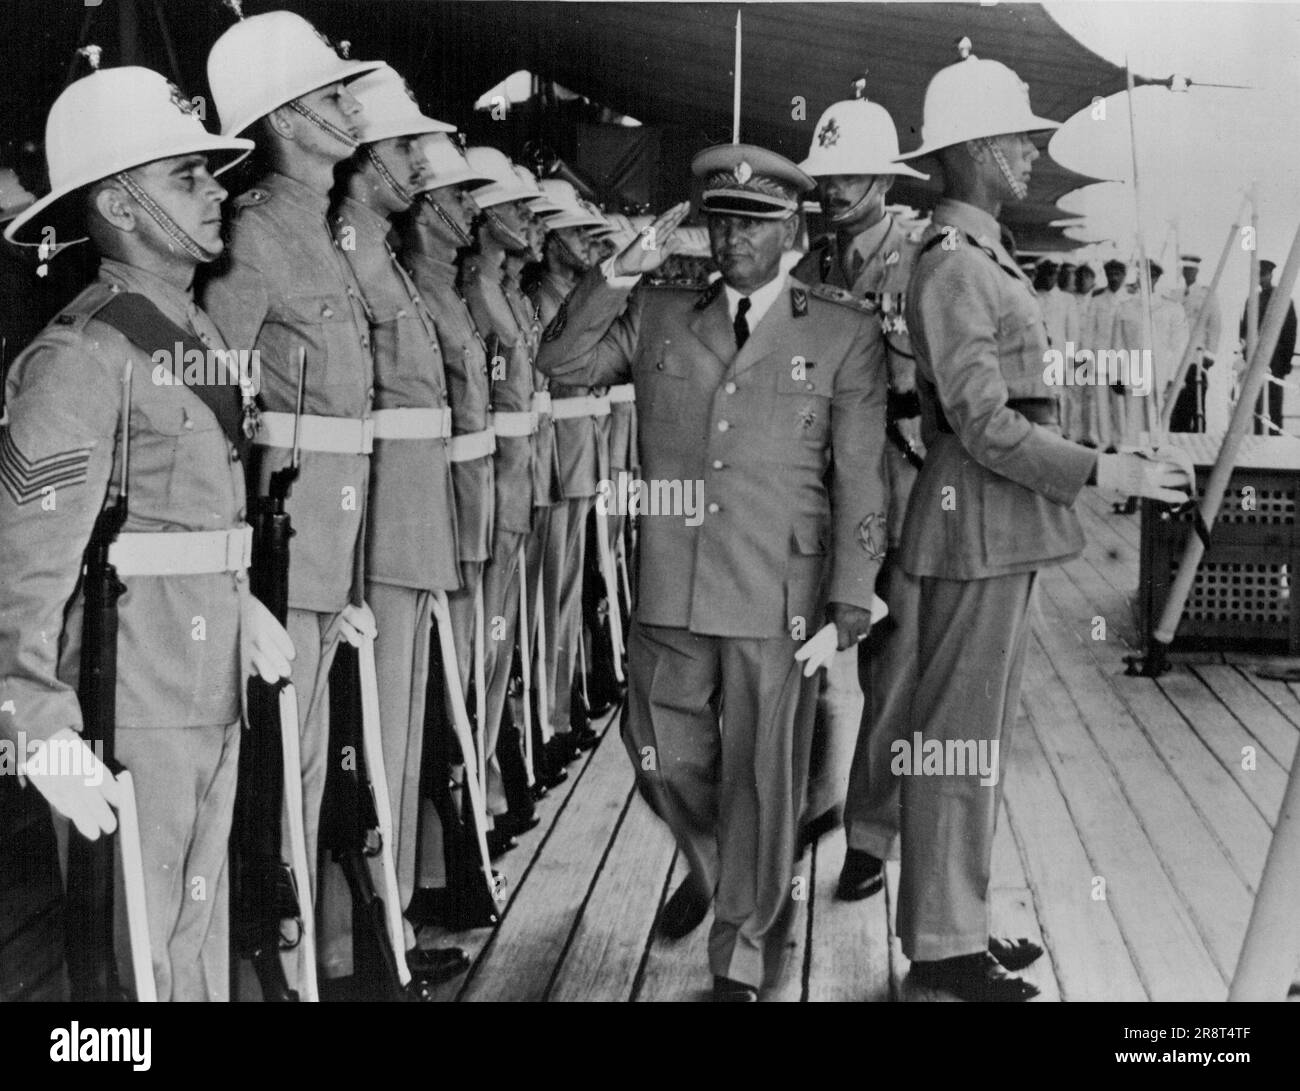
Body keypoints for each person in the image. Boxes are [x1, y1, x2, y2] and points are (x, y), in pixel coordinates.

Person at [537, 144, 888, 1001]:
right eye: (721, 219)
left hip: (782, 592)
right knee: (658, 751)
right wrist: (617, 272)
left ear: (793, 232)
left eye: (754, 224)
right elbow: (560, 363)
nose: (732, 239)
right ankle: (733, 865)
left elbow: (862, 473)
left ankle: (741, 957)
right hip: (674, 577)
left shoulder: (842, 331)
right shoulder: (657, 313)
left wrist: (849, 595)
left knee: (766, 775)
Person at [892, 45, 1191, 1001]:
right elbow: (982, 420)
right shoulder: (951, 263)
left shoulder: (977, 254)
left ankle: (958, 925)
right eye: (1016, 137)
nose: (1029, 153)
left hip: (997, 523)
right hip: (975, 518)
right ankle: (941, 946)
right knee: (954, 738)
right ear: (972, 149)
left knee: (975, 736)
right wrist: (1107, 465)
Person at [0, 61, 292, 1000]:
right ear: (121, 206)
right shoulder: (82, 356)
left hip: (207, 684)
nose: (216, 193)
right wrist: (38, 735)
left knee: (194, 945)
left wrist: (238, 601)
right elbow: (20, 570)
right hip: (131, 700)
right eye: (186, 177)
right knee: (141, 968)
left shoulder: (192, 333)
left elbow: (192, 512)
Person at [201, 8, 383, 993]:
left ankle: (314, 968)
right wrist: (240, 580)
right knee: (274, 782)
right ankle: (270, 975)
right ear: (278, 118)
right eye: (329, 96)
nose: (349, 108)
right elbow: (214, 411)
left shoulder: (329, 229)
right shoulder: (250, 237)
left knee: (312, 770)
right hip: (279, 553)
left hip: (328, 549)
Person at [325, 63, 468, 987]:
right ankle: (352, 948)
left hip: (408, 522)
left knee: (398, 732)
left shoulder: (380, 254)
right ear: (366, 160)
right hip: (373, 528)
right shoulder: (347, 248)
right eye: (406, 147)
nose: (418, 163)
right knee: (364, 741)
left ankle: (394, 927)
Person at [790, 84, 928, 899]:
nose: (831, 190)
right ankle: (806, 804)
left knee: (892, 669)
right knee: (800, 654)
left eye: (847, 176)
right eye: (826, 176)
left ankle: (871, 835)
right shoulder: (806, 264)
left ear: (884, 179)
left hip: (902, 489)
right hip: (821, 493)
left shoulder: (920, 258)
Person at [400, 134, 501, 920]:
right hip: (428, 516)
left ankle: (442, 863)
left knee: (468, 681)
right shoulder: (419, 287)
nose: (472, 210)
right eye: (461, 196)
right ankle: (427, 879)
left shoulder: (444, 290)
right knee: (439, 700)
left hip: (470, 502)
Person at [460, 147, 554, 856]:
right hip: (487, 500)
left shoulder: (505, 294)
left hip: (516, 492)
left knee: (498, 653)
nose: (531, 221)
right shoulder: (475, 293)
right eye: (517, 209)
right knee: (482, 653)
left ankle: (493, 779)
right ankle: (478, 796)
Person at [527, 181, 611, 759]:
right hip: (551, 456)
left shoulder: (577, 294)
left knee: (567, 594)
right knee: (546, 599)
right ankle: (544, 717)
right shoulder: (538, 297)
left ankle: (559, 706)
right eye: (576, 231)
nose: (587, 243)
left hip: (580, 454)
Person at [1241, 258, 1298, 435]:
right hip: (1255, 358)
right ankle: (1259, 435)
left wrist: (1286, 361)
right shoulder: (1252, 300)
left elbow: (1290, 331)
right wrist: (1246, 355)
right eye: (1259, 275)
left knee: (1274, 402)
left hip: (1276, 359)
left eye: (1264, 275)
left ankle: (1275, 439)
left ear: (1270, 275)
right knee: (1256, 402)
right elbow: (1244, 330)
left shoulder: (1283, 299)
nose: (1261, 279)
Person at [1170, 254, 1221, 432]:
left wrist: (1210, 354)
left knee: (1196, 401)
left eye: (1191, 269)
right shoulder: (1173, 295)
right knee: (1175, 403)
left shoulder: (1206, 294)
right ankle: (1177, 438)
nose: (1188, 272)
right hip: (1175, 359)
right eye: (1185, 269)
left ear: (1197, 271)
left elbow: (1214, 325)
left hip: (1195, 358)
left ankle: (1198, 435)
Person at [1091, 258, 1129, 452]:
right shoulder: (1096, 301)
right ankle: (1104, 440)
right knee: (1101, 403)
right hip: (1100, 357)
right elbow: (1089, 331)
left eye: (1117, 274)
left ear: (1124, 276)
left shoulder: (1130, 301)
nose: (1114, 278)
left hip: (1120, 360)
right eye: (1110, 274)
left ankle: (1121, 441)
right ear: (1105, 276)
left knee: (1119, 402)